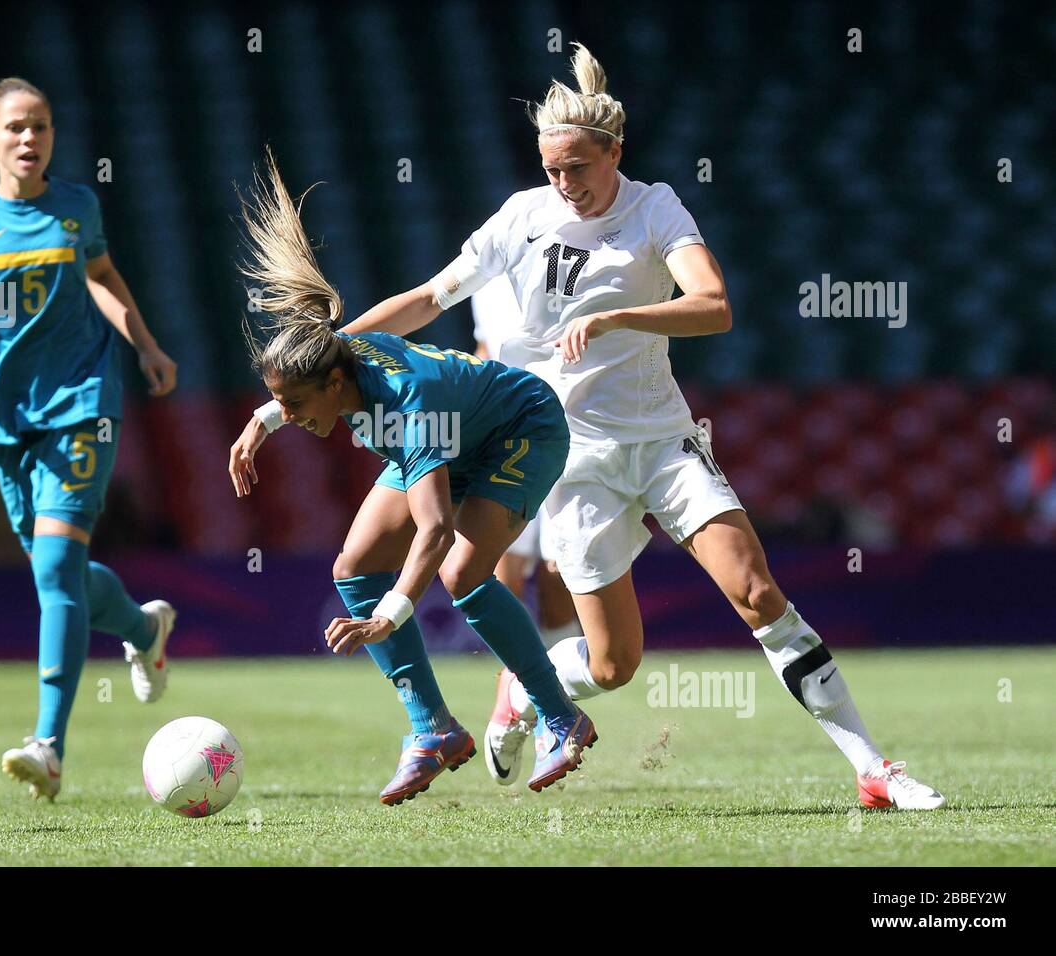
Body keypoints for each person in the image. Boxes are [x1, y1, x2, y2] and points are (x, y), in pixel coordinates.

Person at [339, 44, 944, 810]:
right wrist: (337, 348)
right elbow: (429, 298)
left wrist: (615, 313)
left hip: (662, 441)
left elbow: (714, 305)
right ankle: (521, 694)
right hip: (568, 459)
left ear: (614, 152)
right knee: (615, 664)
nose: (565, 186)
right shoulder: (524, 216)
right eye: (552, 170)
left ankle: (872, 770)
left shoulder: (655, 207)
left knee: (757, 591)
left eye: (578, 169)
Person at [227, 152, 594, 804]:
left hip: (523, 430)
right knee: (352, 568)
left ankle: (561, 717)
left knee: (462, 575)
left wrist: (390, 614)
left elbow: (433, 529)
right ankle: (433, 730)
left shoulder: (407, 404)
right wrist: (262, 421)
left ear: (335, 386)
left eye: (293, 407)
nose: (292, 419)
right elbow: (343, 351)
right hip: (461, 434)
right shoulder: (337, 359)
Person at [0, 78, 180, 801]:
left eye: (42, 127)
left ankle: (48, 745)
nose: (31, 139)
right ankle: (145, 630)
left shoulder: (76, 205)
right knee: (62, 579)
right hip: (0, 414)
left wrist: (144, 344)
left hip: (82, 402)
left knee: (55, 569)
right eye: (16, 128)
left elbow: (103, 274)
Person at [471, 274, 581, 651]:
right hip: (506, 436)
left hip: (568, 429)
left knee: (559, 574)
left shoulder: (563, 262)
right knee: (505, 567)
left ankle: (558, 688)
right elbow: (485, 349)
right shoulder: (485, 279)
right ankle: (516, 681)